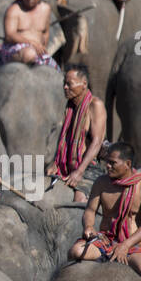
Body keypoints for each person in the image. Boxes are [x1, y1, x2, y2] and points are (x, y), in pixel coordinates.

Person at [68, 142, 141, 278]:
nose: (107, 166)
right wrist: (89, 226)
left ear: (127, 163)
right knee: (76, 251)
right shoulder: (101, 182)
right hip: (105, 240)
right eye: (107, 162)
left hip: (132, 243)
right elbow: (90, 210)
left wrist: (125, 245)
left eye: (113, 163)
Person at [48, 65, 107, 202]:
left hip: (88, 168)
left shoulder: (95, 105)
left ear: (84, 84)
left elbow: (97, 141)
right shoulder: (69, 107)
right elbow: (62, 139)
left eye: (70, 84)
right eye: (64, 83)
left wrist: (80, 172)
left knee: (79, 200)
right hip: (66, 166)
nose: (65, 87)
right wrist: (54, 163)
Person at [0, 0, 58, 68]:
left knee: (56, 70)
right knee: (29, 54)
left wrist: (43, 47)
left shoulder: (46, 9)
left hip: (37, 50)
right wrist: (32, 43)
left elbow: (45, 32)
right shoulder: (14, 10)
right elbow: (9, 35)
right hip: (15, 49)